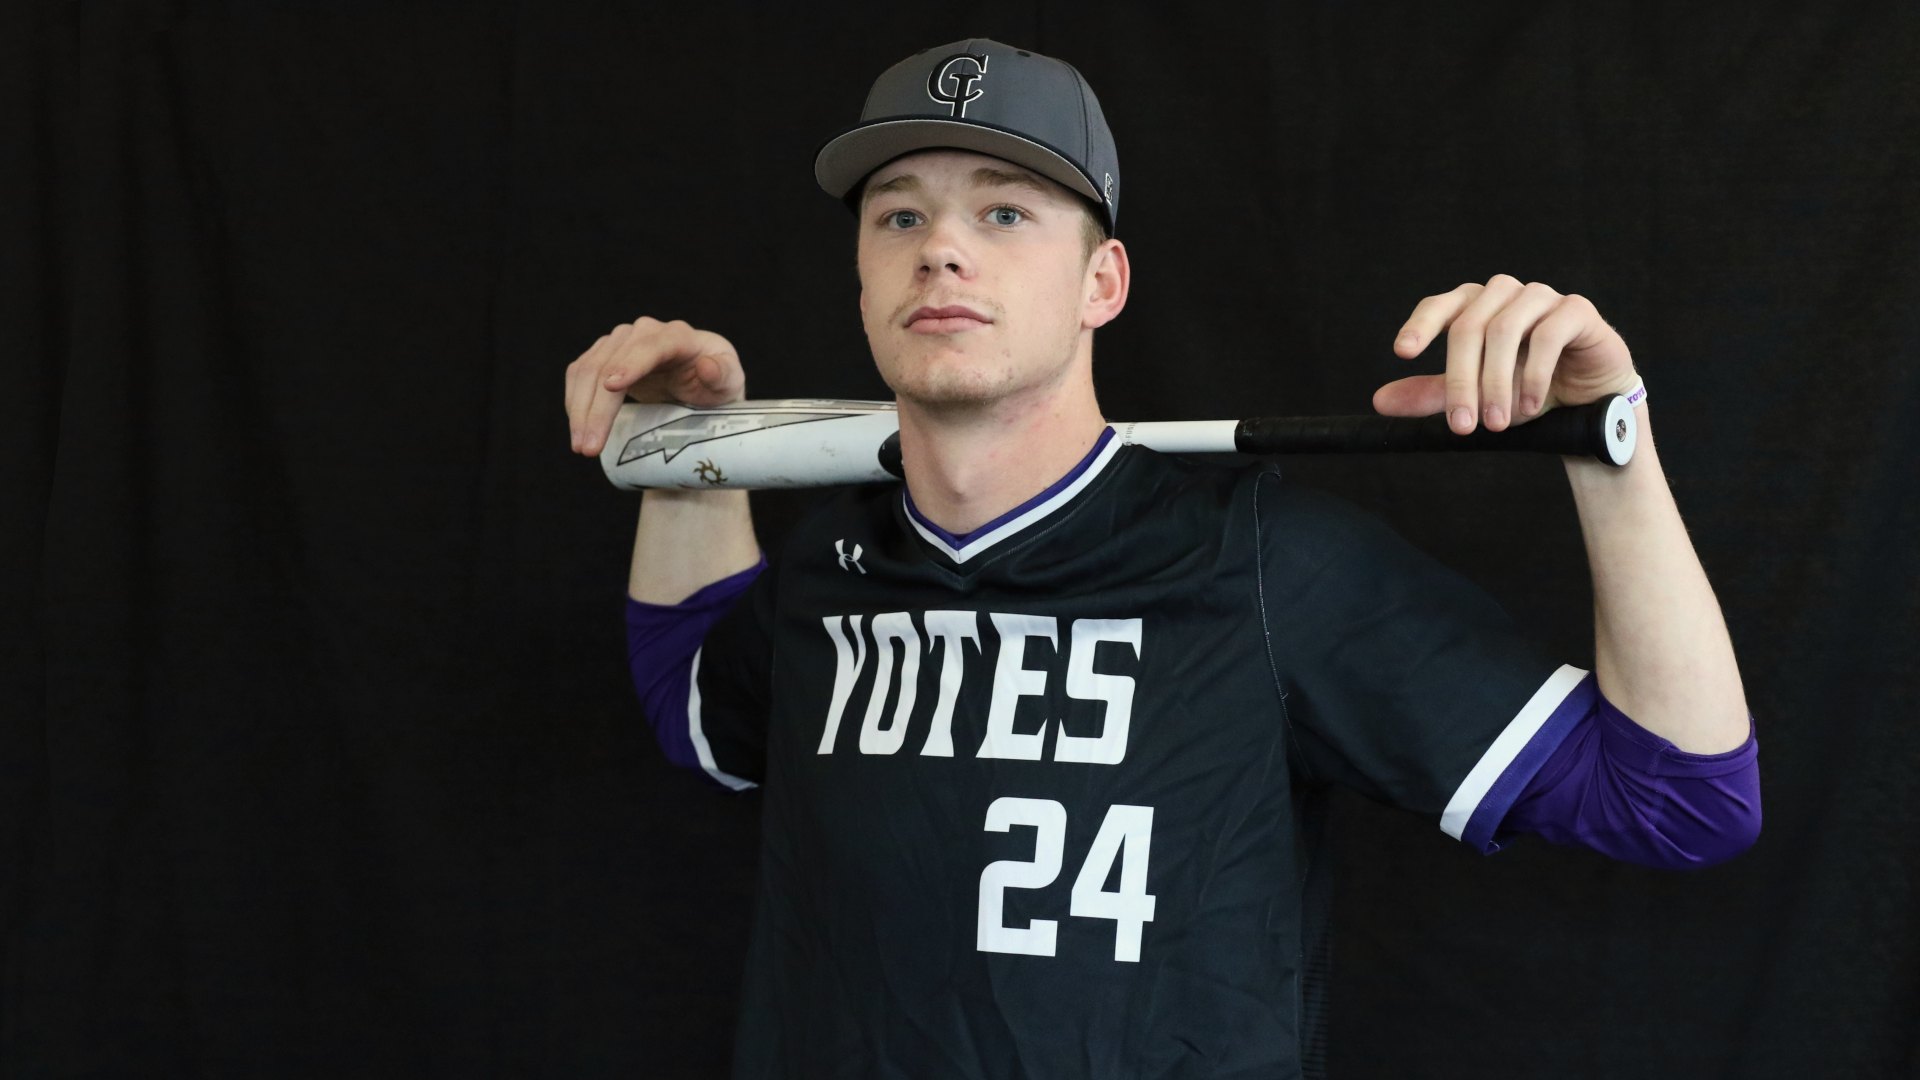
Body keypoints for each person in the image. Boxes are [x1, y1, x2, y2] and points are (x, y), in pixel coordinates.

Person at [564, 38, 1760, 1079]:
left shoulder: (1262, 565)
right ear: (866, 275)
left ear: (1103, 283)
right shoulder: (835, 565)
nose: (941, 252)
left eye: (1003, 211)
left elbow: (1681, 802)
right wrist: (690, 455)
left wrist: (1616, 450)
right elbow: (700, 722)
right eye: (900, 216)